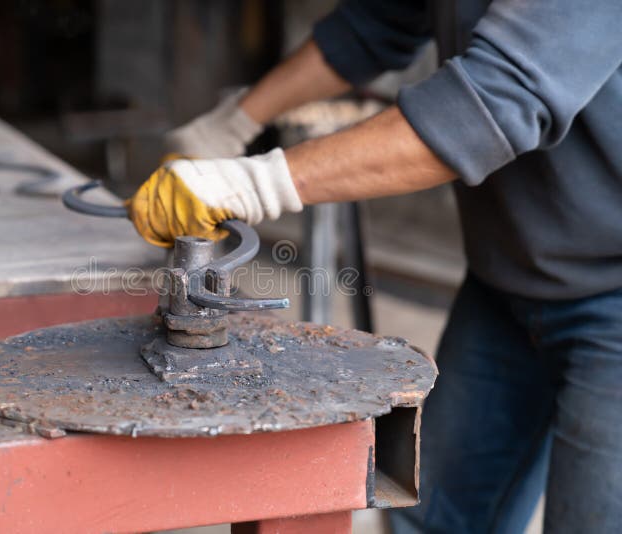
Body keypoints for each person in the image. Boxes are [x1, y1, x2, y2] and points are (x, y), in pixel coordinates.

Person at [126, 1, 622, 532]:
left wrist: (252, 184)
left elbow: (491, 103)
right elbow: (375, 24)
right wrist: (232, 124)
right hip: (506, 278)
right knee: (428, 519)